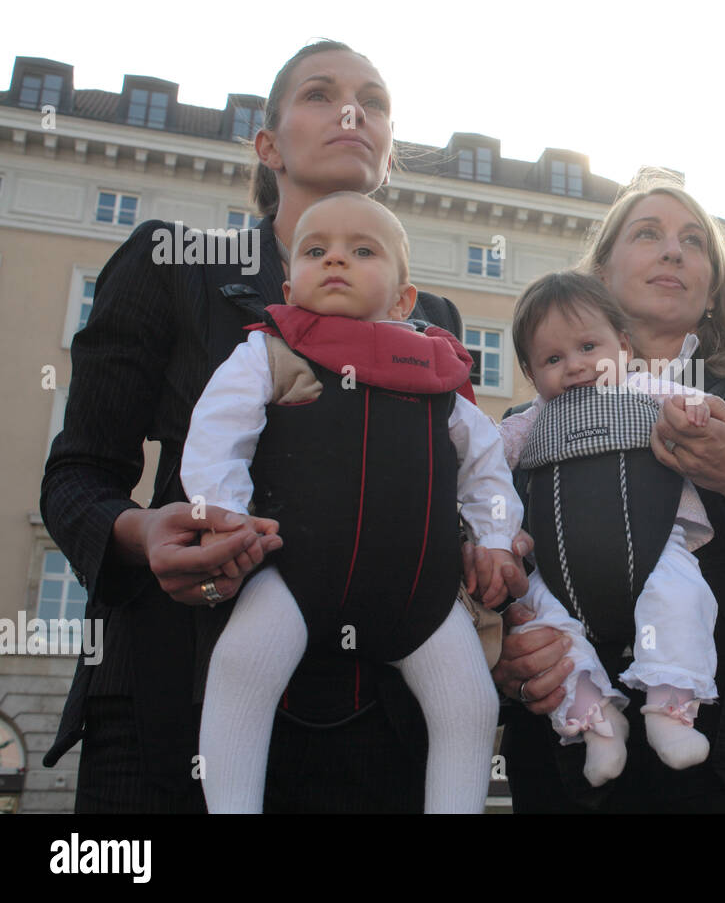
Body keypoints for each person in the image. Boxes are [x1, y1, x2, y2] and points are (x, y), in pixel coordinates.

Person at [40, 41, 466, 812]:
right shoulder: (179, 265)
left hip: (372, 714)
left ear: (387, 154)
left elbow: (447, 490)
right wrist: (144, 533)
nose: (351, 112)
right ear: (267, 147)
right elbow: (77, 476)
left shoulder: (430, 321)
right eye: (321, 95)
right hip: (176, 691)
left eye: (372, 101)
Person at [483, 173, 725, 812]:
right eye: (649, 234)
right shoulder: (525, 430)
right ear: (601, 273)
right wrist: (505, 655)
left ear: (713, 284)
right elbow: (488, 579)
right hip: (570, 774)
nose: (674, 251)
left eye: (694, 242)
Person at [181, 192, 520, 813]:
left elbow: (486, 469)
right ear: (289, 283)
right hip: (296, 577)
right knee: (240, 672)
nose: (336, 260)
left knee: (470, 705)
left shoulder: (435, 379)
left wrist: (495, 540)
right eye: (317, 251)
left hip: (417, 594)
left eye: (362, 251)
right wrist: (222, 515)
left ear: (402, 298)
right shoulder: (269, 352)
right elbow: (216, 432)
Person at [498, 270, 719, 787]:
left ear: (623, 346)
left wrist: (694, 413)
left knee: (681, 598)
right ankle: (596, 719)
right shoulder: (532, 419)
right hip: (556, 560)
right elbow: (485, 453)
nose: (574, 366)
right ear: (532, 374)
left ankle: (670, 710)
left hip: (657, 542)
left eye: (587, 346)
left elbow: (696, 407)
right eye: (553, 359)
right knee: (537, 622)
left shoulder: (646, 390)